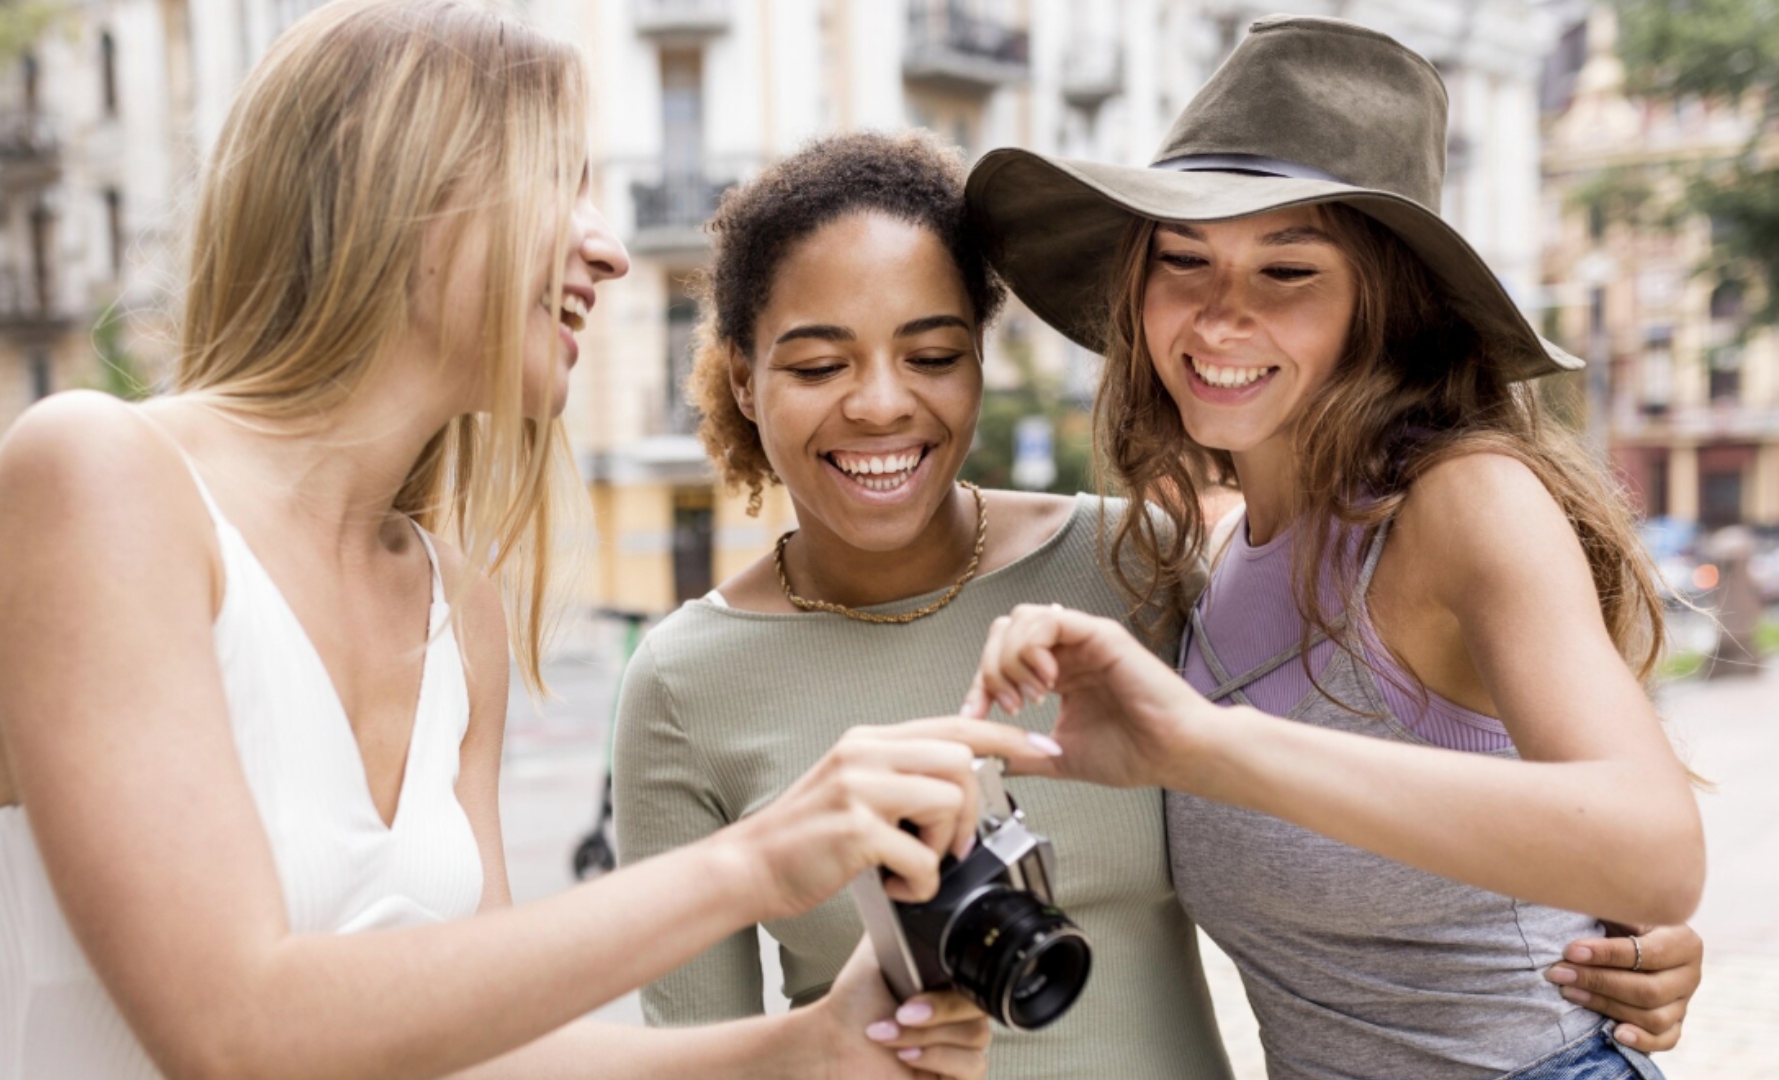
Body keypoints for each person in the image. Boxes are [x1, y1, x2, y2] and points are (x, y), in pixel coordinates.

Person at [0, 4, 1045, 1078]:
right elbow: (231, 1031)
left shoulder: (452, 608)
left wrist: (797, 1056)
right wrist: (752, 863)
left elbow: (479, 1053)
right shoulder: (97, 479)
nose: (607, 251)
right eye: (561, 184)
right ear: (405, 195)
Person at [611, 130, 1701, 1080]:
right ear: (742, 380)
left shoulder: (1139, 566)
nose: (884, 401)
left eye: (934, 353)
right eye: (1187, 258)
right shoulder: (677, 682)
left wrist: (1624, 938)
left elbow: (1609, 824)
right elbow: (686, 1058)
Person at [964, 15, 1703, 1080]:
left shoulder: (1458, 503)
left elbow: (1655, 851)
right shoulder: (1216, 561)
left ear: (1384, 309)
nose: (1220, 319)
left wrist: (1203, 747)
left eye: (1288, 271)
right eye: (1184, 259)